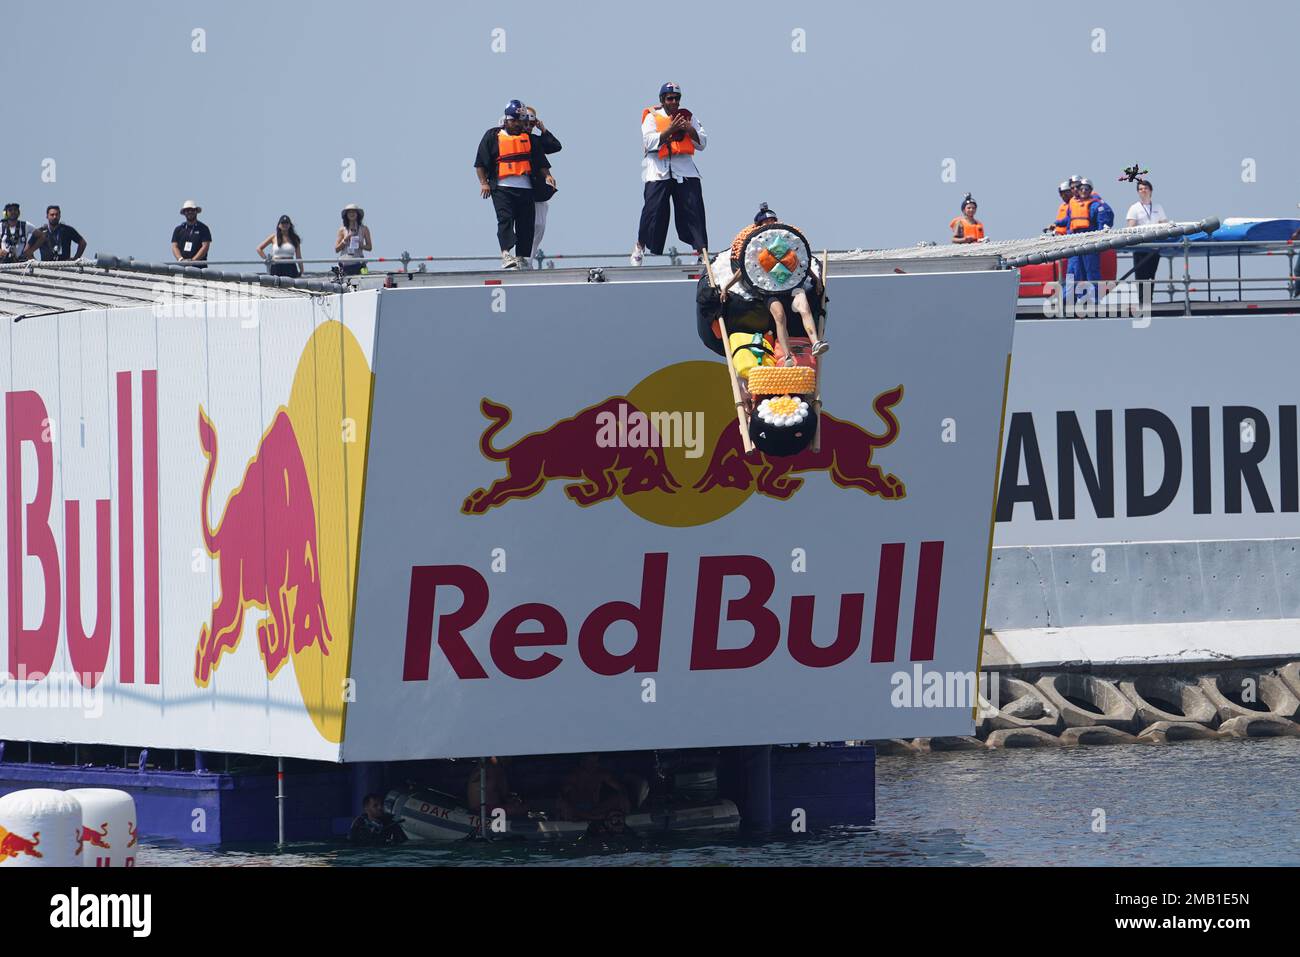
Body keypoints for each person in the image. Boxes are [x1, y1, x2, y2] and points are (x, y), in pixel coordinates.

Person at [721, 204, 827, 363]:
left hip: (792, 287)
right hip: (769, 291)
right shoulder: (754, 247)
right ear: (759, 226)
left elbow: (800, 262)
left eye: (772, 220)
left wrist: (816, 279)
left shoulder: (786, 241)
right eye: (766, 222)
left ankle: (816, 343)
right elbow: (744, 270)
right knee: (780, 315)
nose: (770, 223)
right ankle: (788, 355)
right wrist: (726, 287)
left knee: (804, 307)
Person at [474, 100, 560, 269]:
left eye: (521, 121)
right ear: (507, 119)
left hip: (525, 189)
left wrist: (548, 176)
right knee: (505, 219)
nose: (518, 124)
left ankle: (522, 257)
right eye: (515, 120)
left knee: (526, 224)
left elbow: (541, 160)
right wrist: (484, 183)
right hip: (501, 188)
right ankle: (506, 254)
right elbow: (480, 163)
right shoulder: (492, 136)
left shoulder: (529, 138)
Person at [630, 82, 708, 266]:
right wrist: (670, 130)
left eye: (677, 99)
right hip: (659, 170)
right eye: (670, 98)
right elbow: (649, 142)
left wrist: (690, 130)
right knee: (652, 210)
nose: (674, 102)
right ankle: (639, 247)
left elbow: (702, 143)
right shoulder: (652, 117)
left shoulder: (688, 117)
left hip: (685, 171)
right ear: (662, 100)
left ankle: (701, 252)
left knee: (694, 210)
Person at [1057, 178, 1104, 302]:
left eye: (1085, 188)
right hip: (1074, 240)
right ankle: (1069, 298)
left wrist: (1099, 238)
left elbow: (1103, 222)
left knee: (1091, 270)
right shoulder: (1073, 203)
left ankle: (1095, 298)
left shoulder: (1095, 204)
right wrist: (1055, 224)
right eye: (1078, 188)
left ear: (1090, 190)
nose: (1081, 191)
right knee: (1073, 270)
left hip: (1089, 241)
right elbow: (1068, 219)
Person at [1124, 179, 1168, 308]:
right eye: (1140, 189)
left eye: (1145, 188)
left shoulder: (1158, 207)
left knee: (1151, 275)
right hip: (1141, 247)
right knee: (1141, 276)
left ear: (1151, 190)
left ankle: (1149, 300)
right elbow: (1130, 227)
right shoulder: (1134, 208)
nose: (1143, 191)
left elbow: (1164, 224)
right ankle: (1142, 301)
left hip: (1154, 247)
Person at [524, 105, 561, 254]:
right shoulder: (507, 138)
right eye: (525, 122)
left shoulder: (535, 140)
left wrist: (543, 130)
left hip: (537, 186)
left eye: (531, 124)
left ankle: (529, 258)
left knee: (539, 224)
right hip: (518, 186)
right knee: (523, 225)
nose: (527, 126)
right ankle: (519, 258)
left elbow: (555, 146)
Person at [558, 753, 630, 821]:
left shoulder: (601, 774)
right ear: (582, 762)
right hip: (576, 810)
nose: (594, 765)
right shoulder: (574, 776)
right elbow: (563, 793)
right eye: (590, 762)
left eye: (595, 762)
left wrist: (623, 794)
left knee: (619, 797)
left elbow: (620, 788)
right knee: (562, 802)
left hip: (595, 809)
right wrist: (567, 805)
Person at [257, 214, 304, 278]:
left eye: (287, 223)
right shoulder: (273, 237)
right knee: (275, 285)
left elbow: (298, 257)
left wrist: (301, 270)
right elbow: (259, 248)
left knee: (291, 285)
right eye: (283, 223)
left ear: (290, 225)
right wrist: (266, 259)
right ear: (279, 225)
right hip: (276, 265)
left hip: (290, 266)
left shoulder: (295, 239)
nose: (285, 225)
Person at [171, 200, 212, 267]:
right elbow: (174, 246)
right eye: (187, 210)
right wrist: (181, 260)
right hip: (182, 268)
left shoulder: (203, 228)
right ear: (184, 213)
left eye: (192, 210)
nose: (190, 212)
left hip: (199, 269)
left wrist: (193, 261)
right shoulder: (178, 229)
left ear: (196, 211)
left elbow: (205, 246)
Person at [334, 204, 372, 276]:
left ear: (358, 214)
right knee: (344, 284)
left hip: (359, 263)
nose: (352, 214)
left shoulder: (364, 229)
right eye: (349, 212)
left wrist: (360, 245)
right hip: (344, 264)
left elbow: (369, 247)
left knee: (364, 280)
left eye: (354, 212)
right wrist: (346, 238)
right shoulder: (342, 229)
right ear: (346, 215)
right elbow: (336, 249)